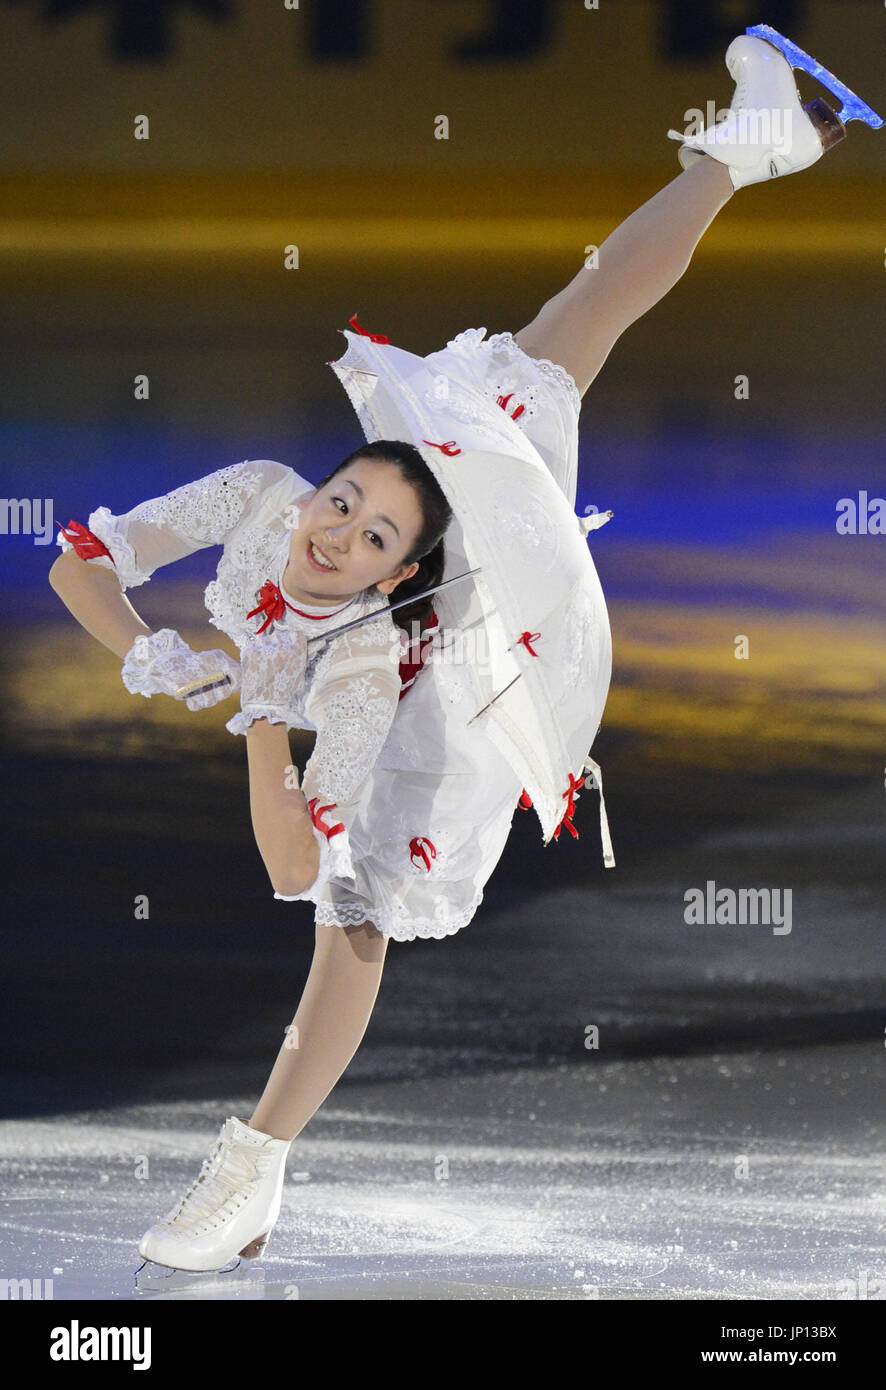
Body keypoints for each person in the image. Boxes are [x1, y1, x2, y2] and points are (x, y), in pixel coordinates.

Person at [47, 30, 876, 1274]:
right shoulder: (263, 493)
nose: (333, 531)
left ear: (395, 572)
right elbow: (81, 562)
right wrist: (145, 646)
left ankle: (250, 1168)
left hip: (441, 668)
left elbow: (290, 861)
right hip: (432, 530)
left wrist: (263, 711)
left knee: (356, 911)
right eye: (342, 502)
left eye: (371, 535)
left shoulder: (373, 663)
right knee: (567, 326)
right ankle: (740, 151)